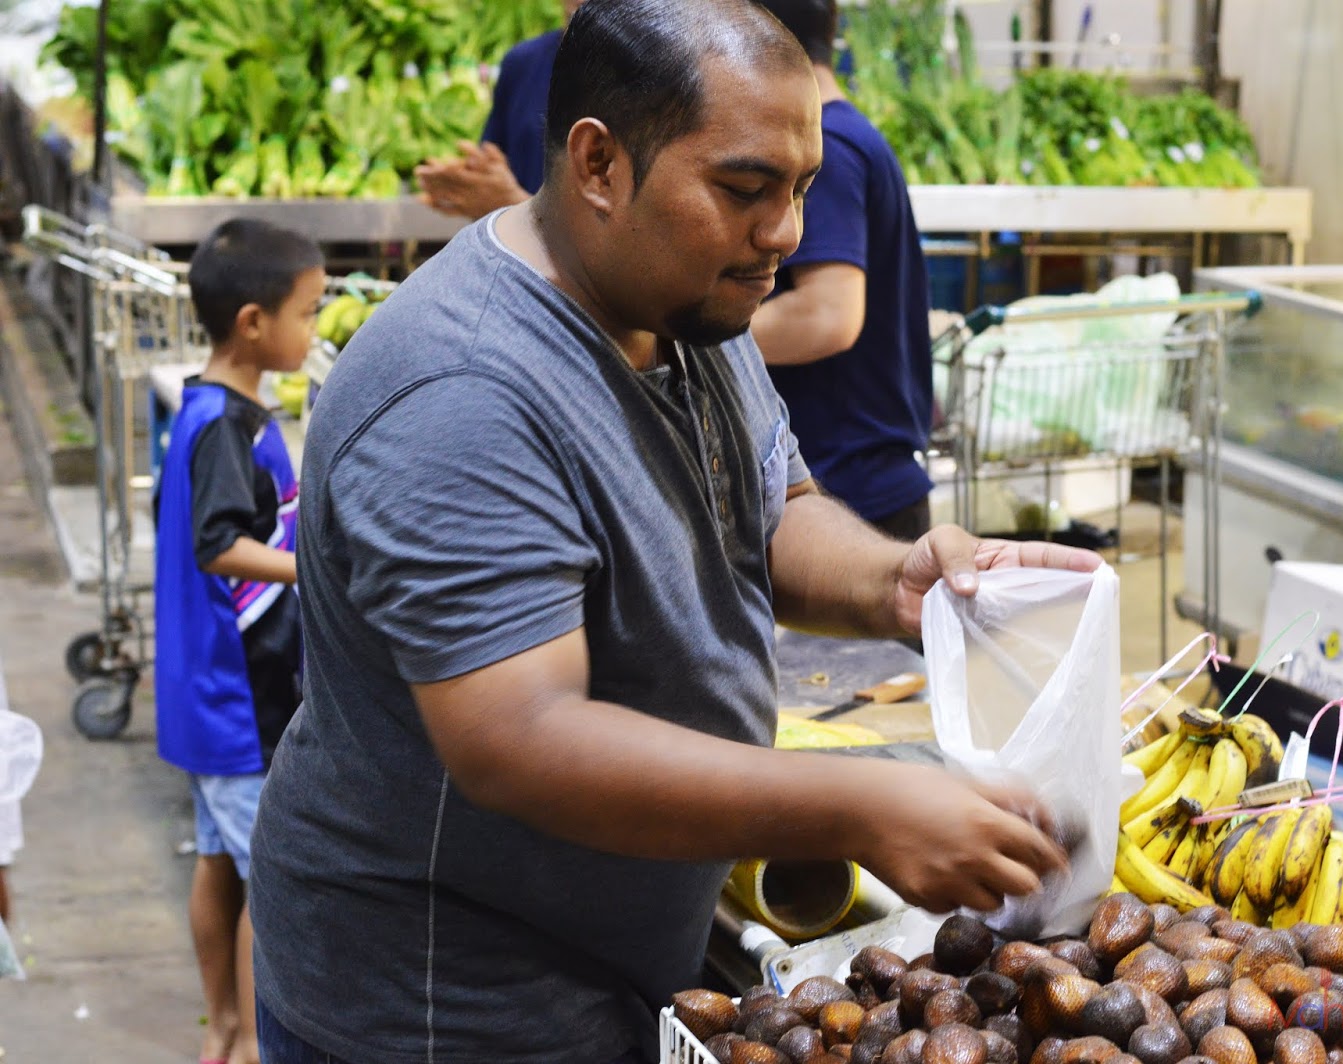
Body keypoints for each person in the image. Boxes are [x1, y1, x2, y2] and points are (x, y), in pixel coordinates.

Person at [249, 3, 1099, 1061]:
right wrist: (863, 803)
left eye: (801, 189)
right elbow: (521, 738)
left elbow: (770, 512)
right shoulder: (460, 390)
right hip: (440, 1005)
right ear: (600, 163)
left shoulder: (690, 300)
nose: (785, 231)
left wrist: (897, 581)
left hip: (617, 957)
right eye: (745, 189)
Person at [153, 219, 323, 1064]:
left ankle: (224, 1027)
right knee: (270, 878)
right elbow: (219, 543)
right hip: (238, 702)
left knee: (219, 859)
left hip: (213, 699)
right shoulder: (226, 426)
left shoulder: (220, 410)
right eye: (309, 313)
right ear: (254, 323)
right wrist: (316, 567)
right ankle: (256, 1040)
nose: (316, 331)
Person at [750, 0, 936, 541]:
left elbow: (827, 315)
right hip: (861, 488)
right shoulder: (848, 134)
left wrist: (685, 335)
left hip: (847, 496)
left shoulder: (824, 148)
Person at [414, 0, 585, 219]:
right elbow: (492, 163)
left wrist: (512, 205)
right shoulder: (522, 62)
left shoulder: (637, 70)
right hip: (518, 249)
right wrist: (468, 180)